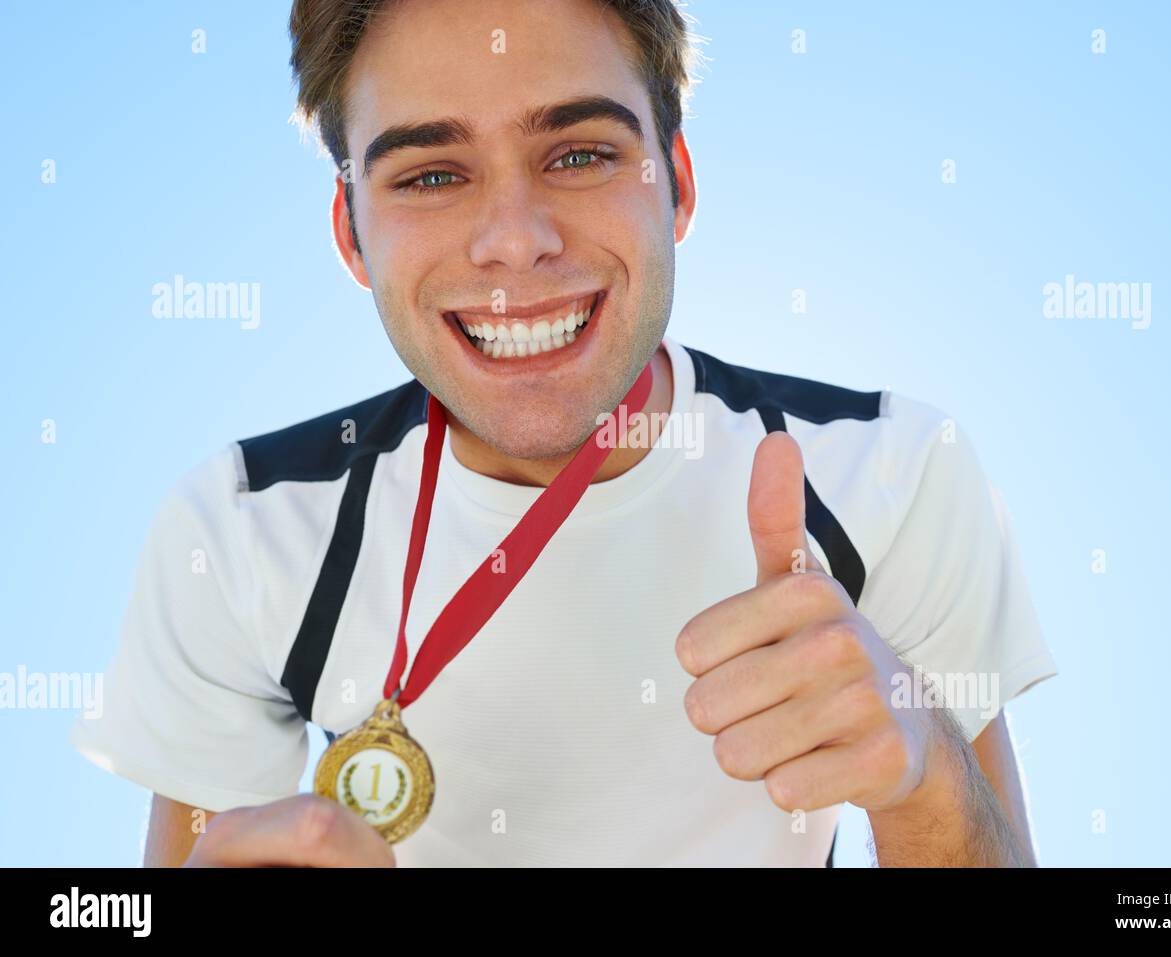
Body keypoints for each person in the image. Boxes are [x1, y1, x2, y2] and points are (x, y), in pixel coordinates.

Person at [71, 0, 1057, 867]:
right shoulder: (239, 530)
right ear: (351, 235)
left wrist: (924, 770)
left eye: (578, 154)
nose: (516, 238)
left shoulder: (889, 470)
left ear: (676, 181)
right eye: (427, 176)